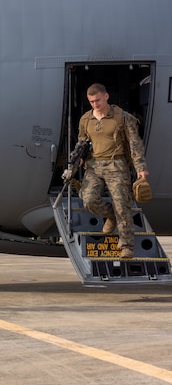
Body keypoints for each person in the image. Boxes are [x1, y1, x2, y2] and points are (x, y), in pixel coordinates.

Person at [78, 83, 149, 259]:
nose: (95, 104)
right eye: (91, 102)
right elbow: (82, 142)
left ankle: (127, 246)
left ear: (106, 96)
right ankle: (111, 216)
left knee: (122, 204)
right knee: (88, 200)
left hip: (116, 164)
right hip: (94, 165)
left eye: (98, 100)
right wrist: (79, 158)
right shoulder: (86, 119)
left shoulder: (122, 117)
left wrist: (140, 168)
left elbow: (135, 144)